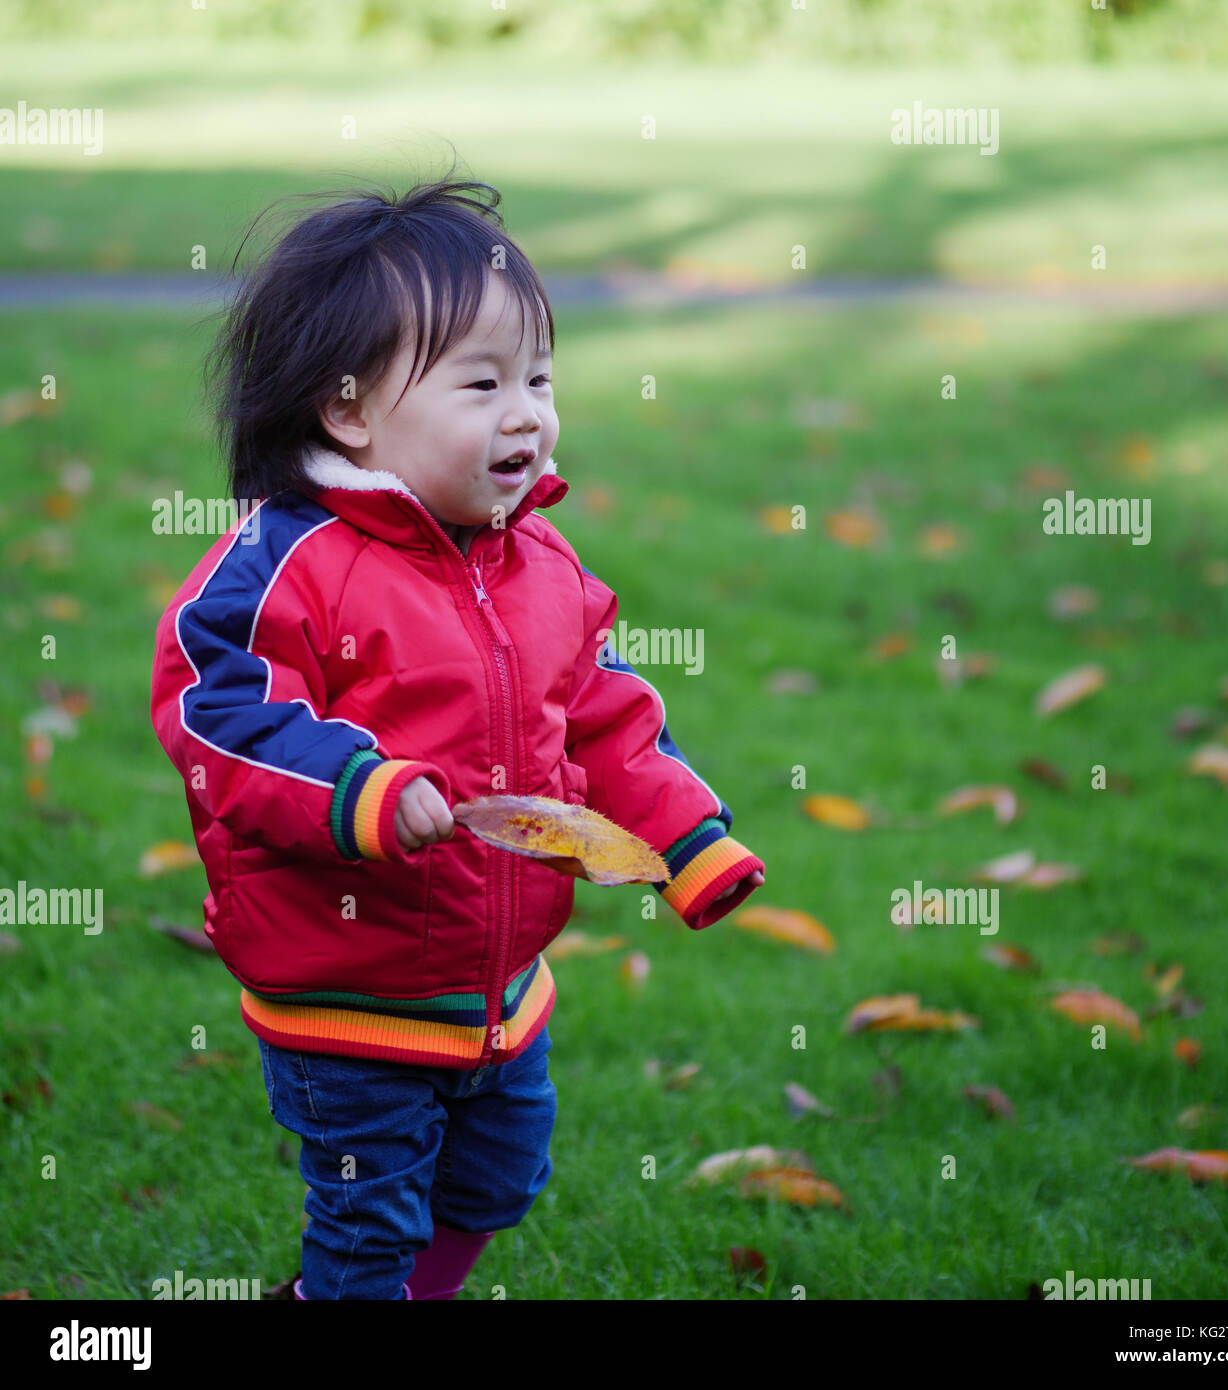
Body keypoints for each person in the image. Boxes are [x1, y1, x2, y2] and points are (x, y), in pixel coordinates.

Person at [150, 170, 766, 1301]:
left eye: (538, 376)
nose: (525, 412)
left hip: (499, 991)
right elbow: (215, 712)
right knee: (368, 1221)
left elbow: (606, 715)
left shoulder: (540, 564)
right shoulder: (288, 566)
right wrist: (362, 788)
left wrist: (686, 838)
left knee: (493, 1184)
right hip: (345, 989)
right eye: (481, 383)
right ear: (348, 410)